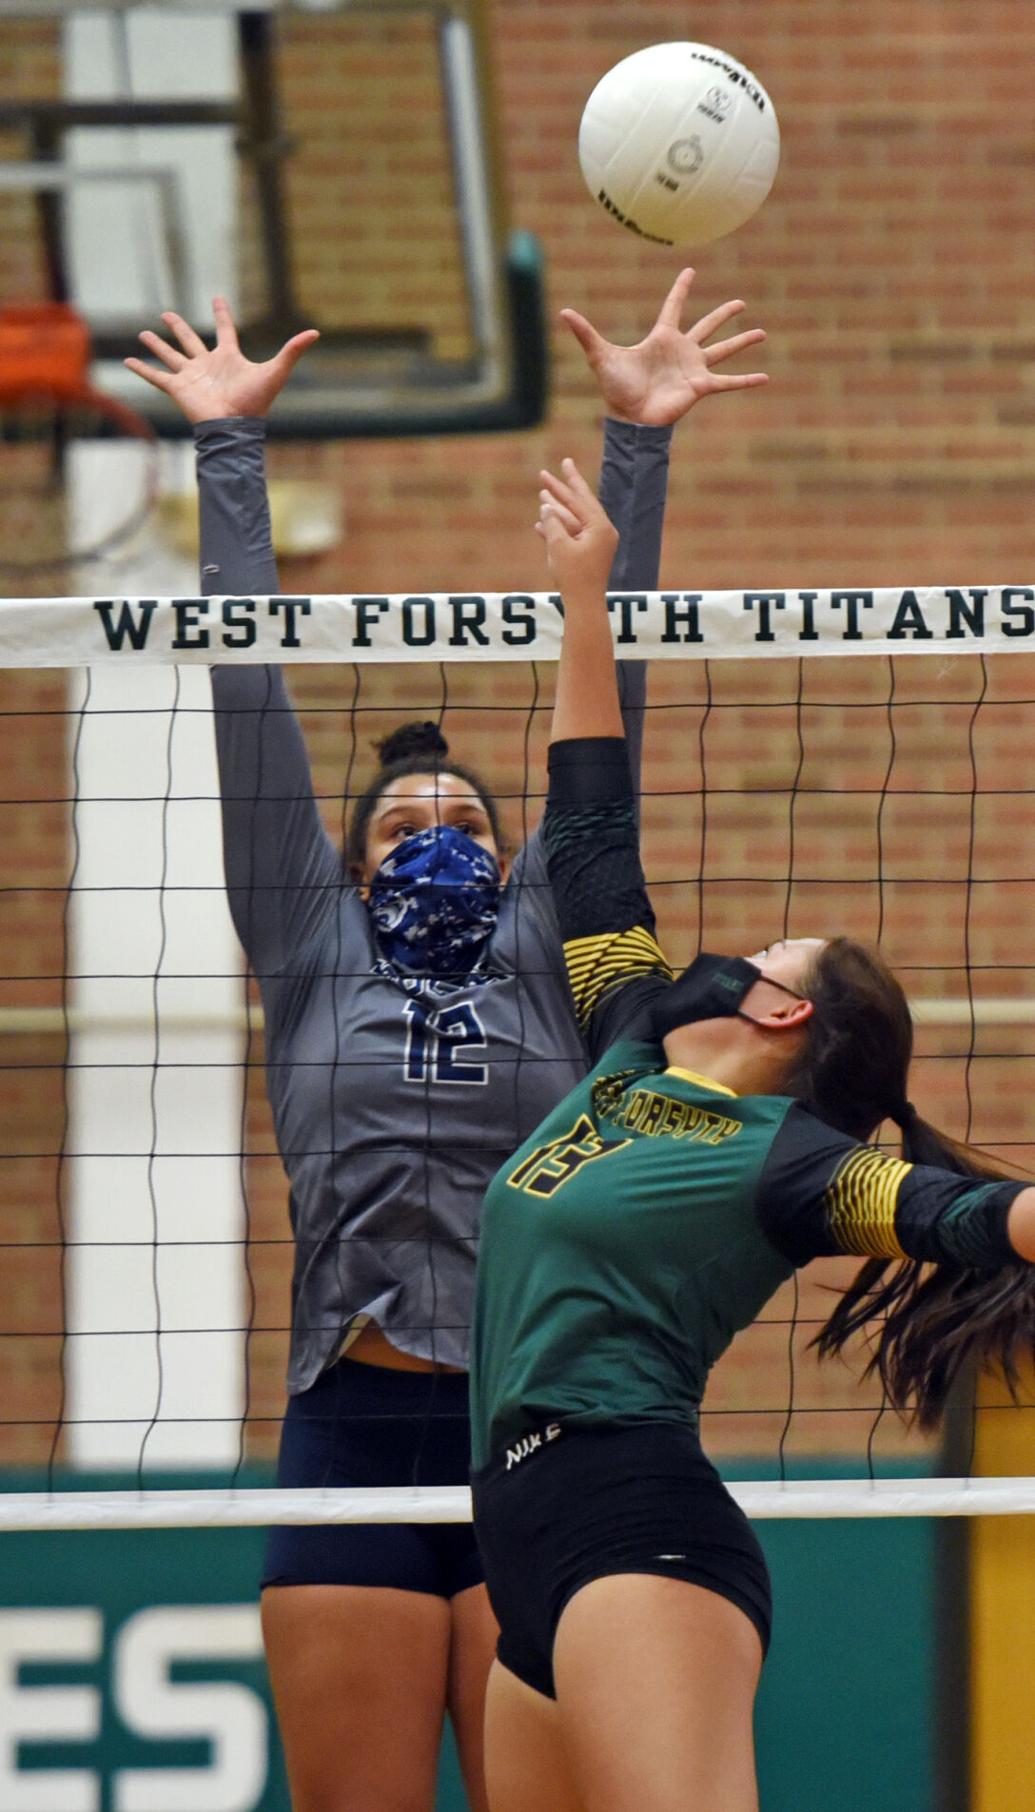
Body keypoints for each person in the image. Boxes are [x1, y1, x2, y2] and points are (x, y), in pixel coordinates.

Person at [126, 272, 767, 1812]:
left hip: (528, 1419)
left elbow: (610, 720)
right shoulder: (308, 941)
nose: (438, 834)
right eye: (405, 822)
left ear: (508, 854)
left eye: (467, 821)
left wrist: (638, 443)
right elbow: (246, 700)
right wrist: (229, 457)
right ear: (349, 866)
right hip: (348, 1416)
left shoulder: (551, 945)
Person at [468, 457, 1035, 1812]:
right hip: (524, 1545)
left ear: (780, 1006)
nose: (735, 941)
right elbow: (591, 824)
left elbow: (975, 1218)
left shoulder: (788, 1166)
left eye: (772, 940)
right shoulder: (625, 1042)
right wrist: (585, 590)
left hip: (635, 1527)